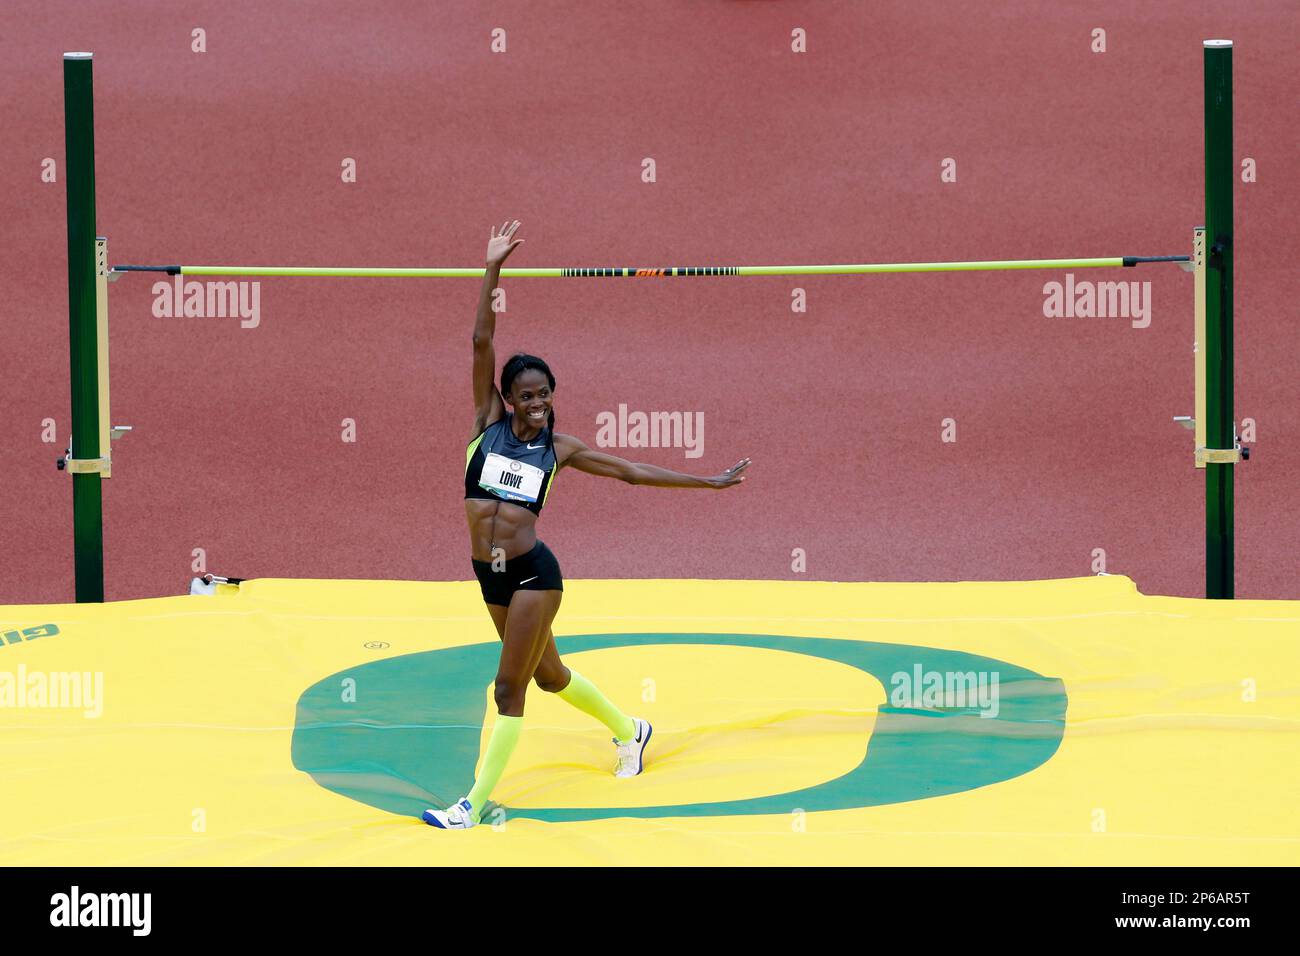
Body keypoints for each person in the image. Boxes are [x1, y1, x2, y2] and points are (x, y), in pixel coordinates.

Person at [423, 220, 751, 829]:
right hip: (487, 574)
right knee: (547, 676)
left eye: (545, 394)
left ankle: (473, 804)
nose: (538, 404)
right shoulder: (485, 423)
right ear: (508, 397)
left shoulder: (561, 449)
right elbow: (478, 342)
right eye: (527, 395)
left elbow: (629, 471)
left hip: (532, 577)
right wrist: (492, 267)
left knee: (507, 689)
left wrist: (705, 481)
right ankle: (633, 731)